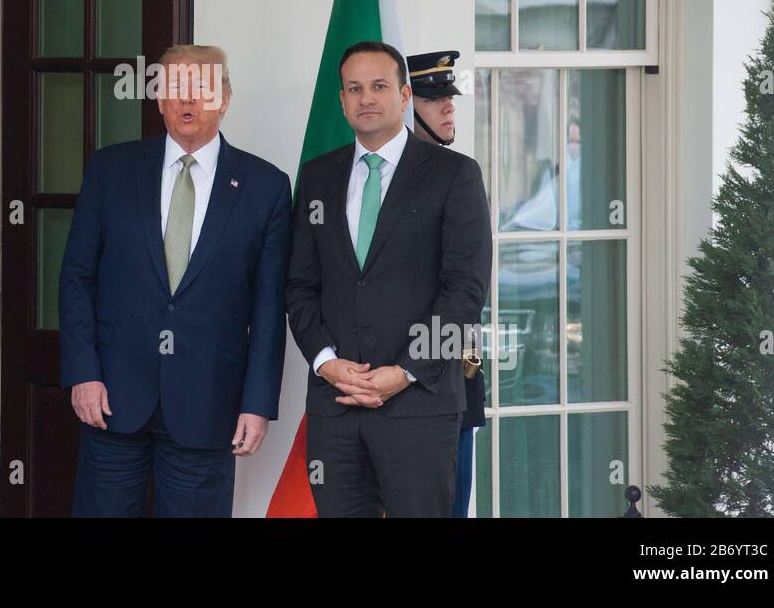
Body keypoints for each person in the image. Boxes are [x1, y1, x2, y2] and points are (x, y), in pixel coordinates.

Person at [59, 44, 291, 517]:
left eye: (201, 89)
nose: (188, 102)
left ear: (224, 98)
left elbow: (269, 307)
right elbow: (76, 278)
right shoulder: (111, 170)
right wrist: (83, 372)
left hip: (209, 404)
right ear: (160, 100)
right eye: (175, 89)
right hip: (111, 401)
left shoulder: (265, 186)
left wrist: (258, 403)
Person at [286, 41, 491, 517]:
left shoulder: (454, 175)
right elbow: (299, 285)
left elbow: (465, 291)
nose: (366, 98)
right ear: (341, 101)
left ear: (403, 95)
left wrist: (404, 372)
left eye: (379, 86)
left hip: (419, 406)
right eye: (354, 89)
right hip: (335, 405)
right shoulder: (317, 177)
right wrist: (324, 361)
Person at [406, 49, 486, 518]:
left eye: (449, 97)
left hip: (449, 376)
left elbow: (467, 289)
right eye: (434, 98)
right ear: (406, 101)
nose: (449, 106)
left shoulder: (459, 176)